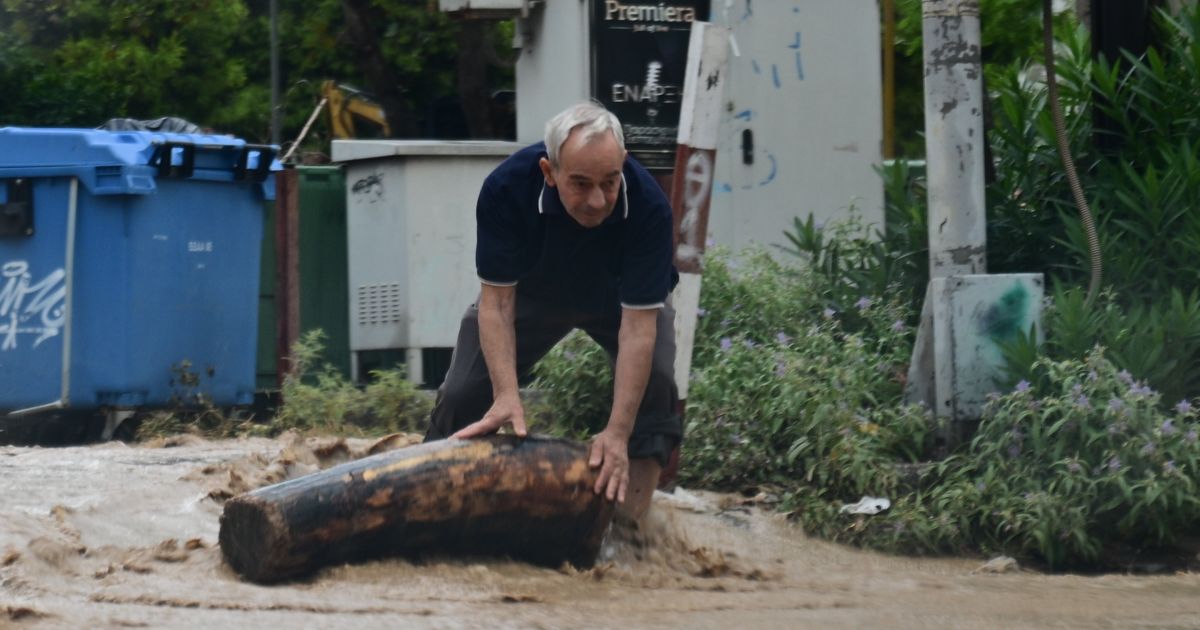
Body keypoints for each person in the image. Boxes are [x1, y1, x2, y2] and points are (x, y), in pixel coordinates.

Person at [424, 102, 681, 520]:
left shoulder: (649, 208)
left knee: (658, 379)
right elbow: (497, 304)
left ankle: (632, 528)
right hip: (530, 294)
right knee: (463, 392)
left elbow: (638, 330)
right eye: (580, 184)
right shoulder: (506, 188)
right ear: (549, 172)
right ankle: (427, 498)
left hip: (619, 301)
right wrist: (507, 394)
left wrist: (617, 432)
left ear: (623, 167)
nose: (597, 201)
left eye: (610, 183)